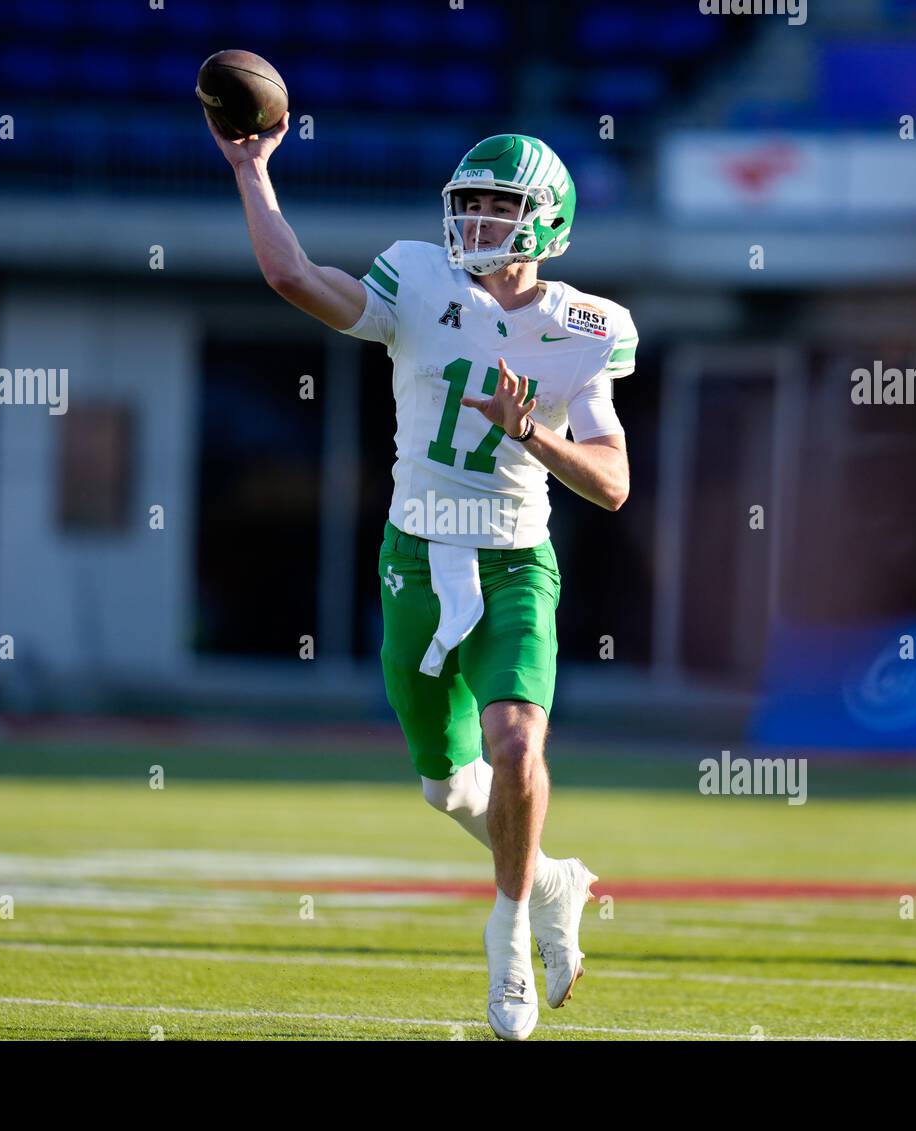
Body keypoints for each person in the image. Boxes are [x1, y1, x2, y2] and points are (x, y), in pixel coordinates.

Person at [207, 111, 638, 1041]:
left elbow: (611, 484)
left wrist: (534, 432)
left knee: (519, 745)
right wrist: (252, 172)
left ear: (546, 221)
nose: (476, 222)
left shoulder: (585, 327)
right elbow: (293, 276)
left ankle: (511, 932)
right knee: (449, 785)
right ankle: (554, 878)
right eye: (468, 204)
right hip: (416, 556)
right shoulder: (415, 274)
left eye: (498, 206)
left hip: (519, 557)